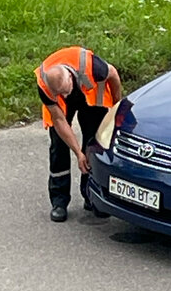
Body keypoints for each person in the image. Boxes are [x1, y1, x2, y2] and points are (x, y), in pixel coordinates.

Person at [35, 46, 122, 222]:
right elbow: (59, 121)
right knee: (59, 146)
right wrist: (78, 153)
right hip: (60, 109)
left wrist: (116, 106)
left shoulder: (94, 67)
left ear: (69, 76)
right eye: (60, 94)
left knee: (93, 143)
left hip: (91, 99)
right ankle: (59, 201)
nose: (65, 95)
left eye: (66, 90)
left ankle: (91, 196)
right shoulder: (45, 84)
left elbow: (113, 74)